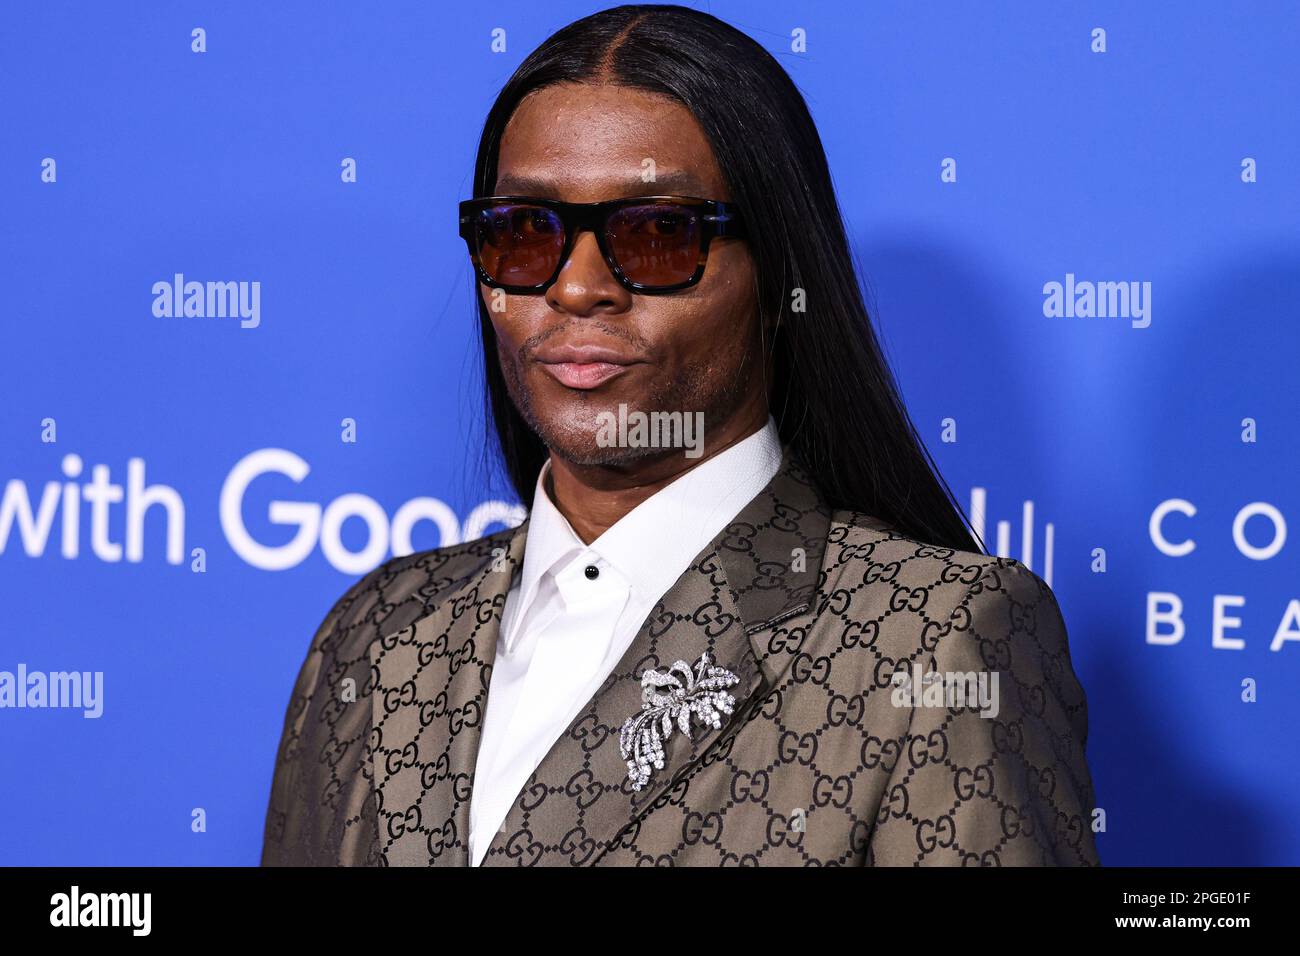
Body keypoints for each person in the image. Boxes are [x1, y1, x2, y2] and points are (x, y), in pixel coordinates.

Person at [261, 3, 1099, 866]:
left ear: (779, 280)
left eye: (658, 233)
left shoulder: (934, 641)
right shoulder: (375, 632)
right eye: (523, 233)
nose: (578, 288)